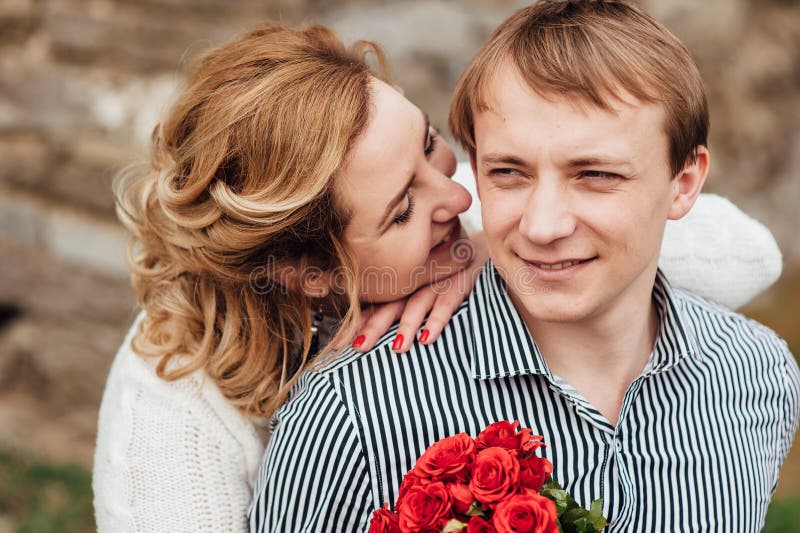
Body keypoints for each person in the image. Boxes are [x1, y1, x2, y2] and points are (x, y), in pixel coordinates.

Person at [248, 3, 800, 532]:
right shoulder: (346, 419)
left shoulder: (758, 375)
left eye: (595, 175)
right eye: (509, 172)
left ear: (684, 183)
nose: (541, 227)